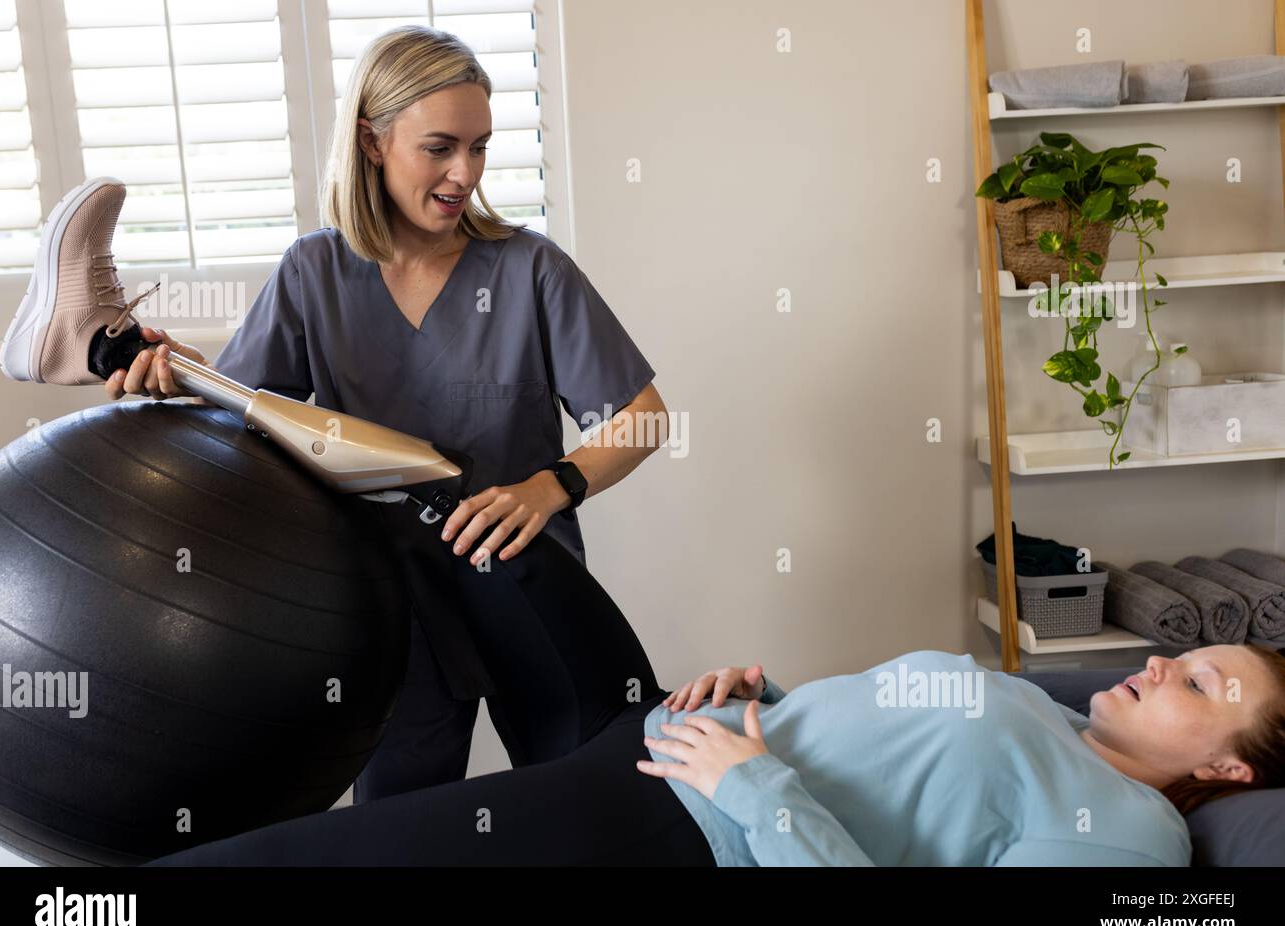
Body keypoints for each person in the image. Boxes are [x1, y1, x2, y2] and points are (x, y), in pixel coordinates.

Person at [97, 25, 668, 802]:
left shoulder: (531, 268)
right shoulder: (314, 274)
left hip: (525, 586)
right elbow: (233, 419)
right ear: (371, 140)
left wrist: (551, 484)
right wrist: (168, 371)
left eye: (479, 146)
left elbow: (642, 416)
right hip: (389, 609)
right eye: (440, 147)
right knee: (399, 830)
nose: (463, 172)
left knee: (584, 800)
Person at [141, 542, 1285, 866]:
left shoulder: (1128, 832)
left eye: (1204, 685)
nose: (1164, 665)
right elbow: (890, 740)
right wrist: (763, 700)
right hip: (656, 755)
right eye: (1188, 656)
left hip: (684, 829)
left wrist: (760, 786)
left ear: (1230, 771)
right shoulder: (1053, 707)